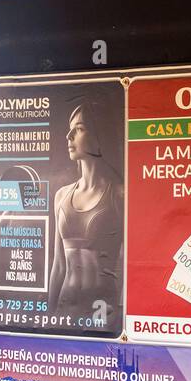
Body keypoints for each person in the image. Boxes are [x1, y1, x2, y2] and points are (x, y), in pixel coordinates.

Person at [49, 100, 123, 329]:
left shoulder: (120, 194)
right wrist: (49, 319)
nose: (69, 136)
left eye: (79, 128)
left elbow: (128, 265)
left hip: (101, 315)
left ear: (99, 134)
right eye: (70, 129)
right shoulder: (61, 195)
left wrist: (121, 313)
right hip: (63, 310)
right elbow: (58, 266)